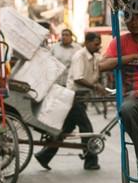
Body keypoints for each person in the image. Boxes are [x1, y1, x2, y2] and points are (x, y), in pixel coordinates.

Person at [98, 0, 138, 181]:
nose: (134, 22)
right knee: (127, 110)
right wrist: (131, 57)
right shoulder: (120, 42)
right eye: (129, 18)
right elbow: (102, 65)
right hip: (136, 99)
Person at [34, 32, 104, 171]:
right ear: (88, 43)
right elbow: (78, 78)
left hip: (81, 96)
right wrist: (95, 87)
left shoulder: (94, 57)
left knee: (67, 128)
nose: (98, 47)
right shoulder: (80, 56)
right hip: (73, 96)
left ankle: (44, 155)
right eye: (96, 44)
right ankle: (90, 161)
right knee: (87, 128)